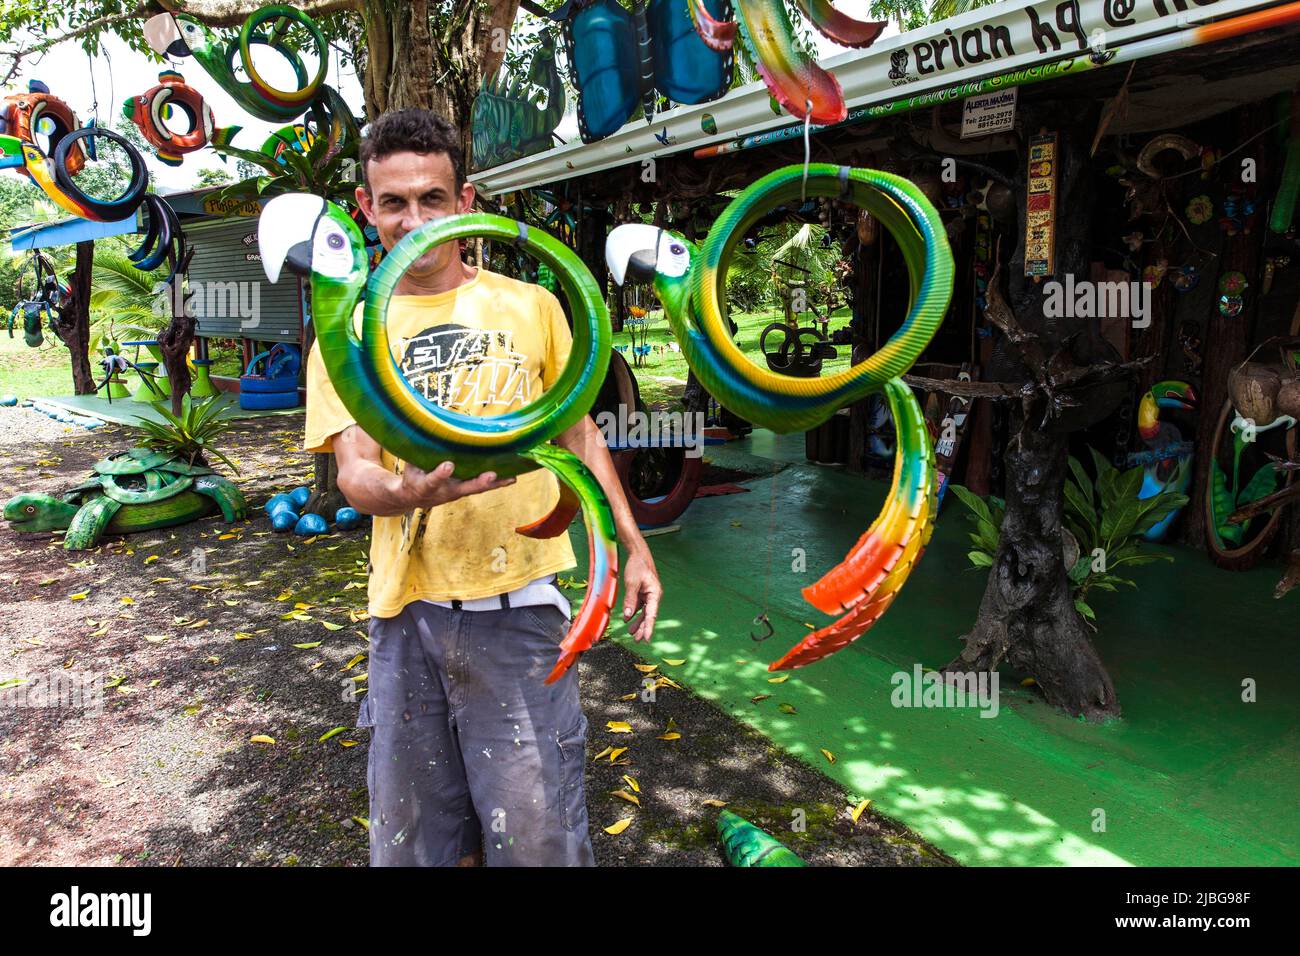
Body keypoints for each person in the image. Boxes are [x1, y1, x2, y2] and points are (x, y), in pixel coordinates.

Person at [303, 109, 662, 867]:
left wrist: (632, 547)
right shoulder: (351, 328)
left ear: (466, 200)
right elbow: (354, 472)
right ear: (365, 208)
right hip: (408, 613)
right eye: (393, 203)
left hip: (522, 607)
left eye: (431, 199)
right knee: (420, 841)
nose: (414, 220)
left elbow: (580, 438)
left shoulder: (531, 306)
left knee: (536, 835)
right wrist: (408, 495)